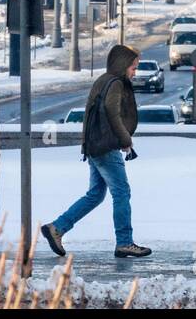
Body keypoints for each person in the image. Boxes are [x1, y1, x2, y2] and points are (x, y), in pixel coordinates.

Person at [40, 44, 150, 258]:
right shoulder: (116, 83)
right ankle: (125, 242)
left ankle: (57, 228)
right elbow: (112, 112)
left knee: (96, 195)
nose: (134, 72)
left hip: (95, 146)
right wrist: (125, 139)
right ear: (123, 64)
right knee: (122, 193)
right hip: (106, 147)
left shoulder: (103, 80)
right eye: (133, 67)